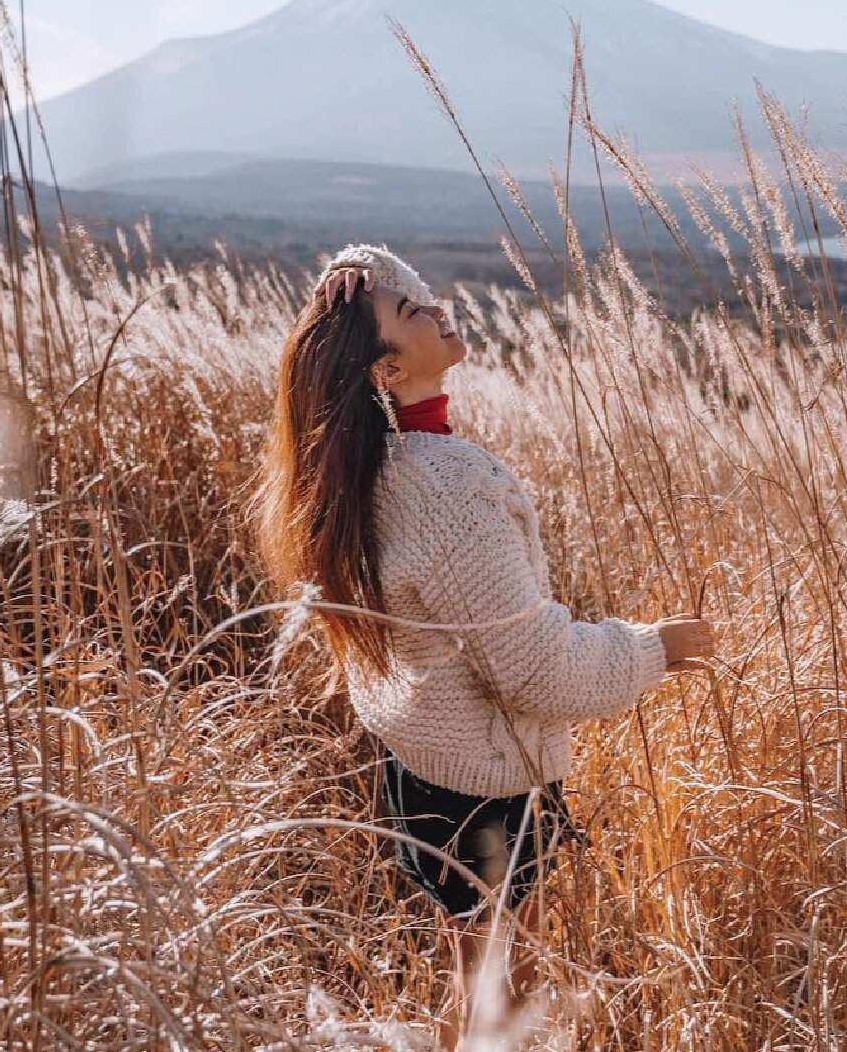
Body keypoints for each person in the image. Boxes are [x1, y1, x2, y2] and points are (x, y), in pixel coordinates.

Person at [251, 242, 715, 1049]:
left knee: (471, 973)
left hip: (426, 769)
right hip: (488, 793)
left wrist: (360, 273)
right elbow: (537, 668)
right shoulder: (449, 487)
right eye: (408, 311)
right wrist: (655, 647)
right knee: (506, 1001)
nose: (434, 309)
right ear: (387, 373)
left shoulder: (366, 473)